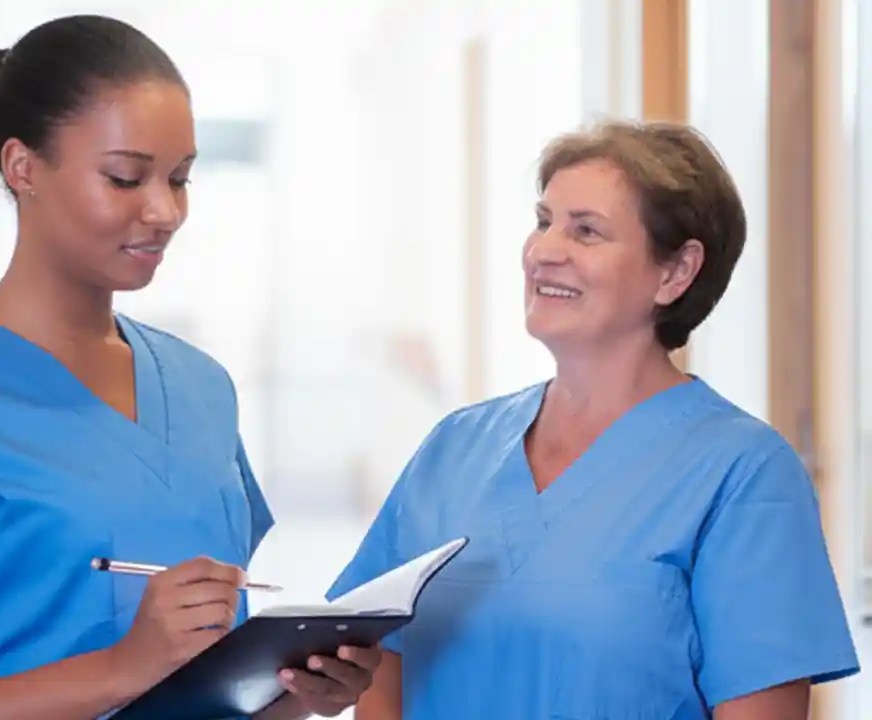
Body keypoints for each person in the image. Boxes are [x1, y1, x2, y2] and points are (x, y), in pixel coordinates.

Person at [0, 15, 378, 720]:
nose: (164, 211)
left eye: (181, 179)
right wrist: (118, 670)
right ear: (23, 167)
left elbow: (211, 688)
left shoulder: (202, 390)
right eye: (125, 177)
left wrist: (298, 695)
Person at [330, 120, 860, 719]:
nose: (543, 251)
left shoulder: (744, 476)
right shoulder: (455, 448)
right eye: (543, 221)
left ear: (675, 273)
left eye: (585, 231)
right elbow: (378, 663)